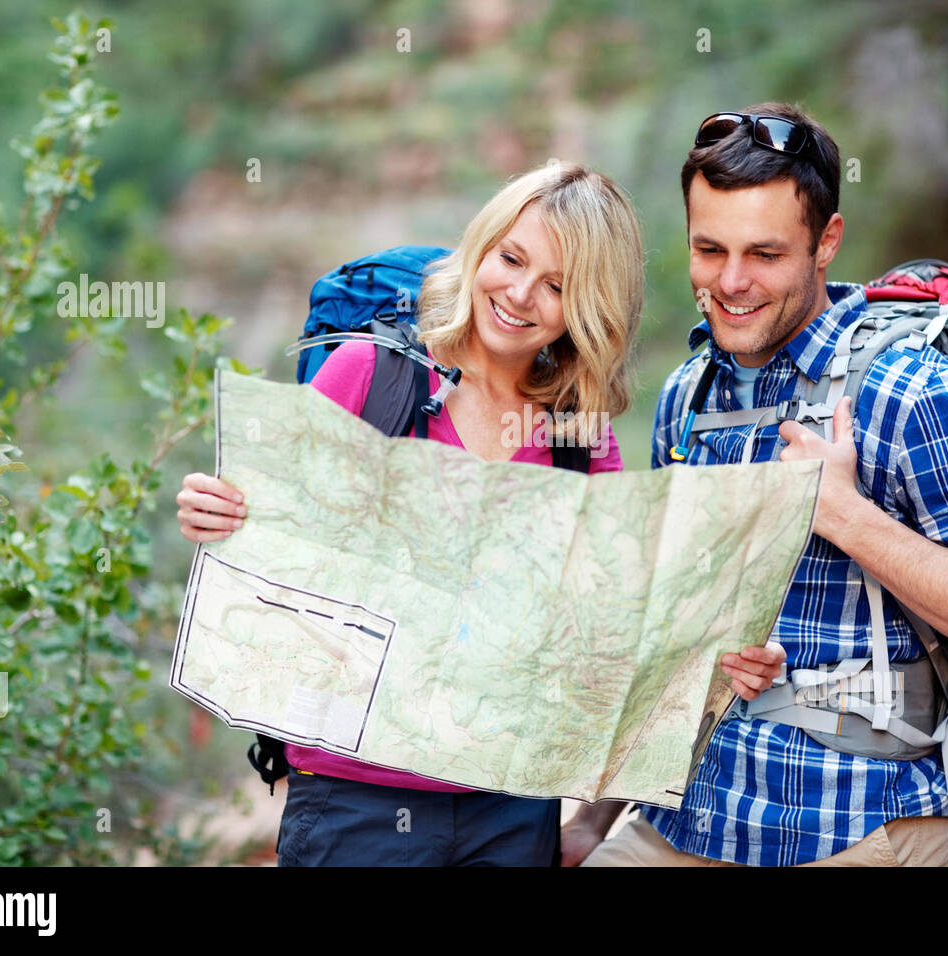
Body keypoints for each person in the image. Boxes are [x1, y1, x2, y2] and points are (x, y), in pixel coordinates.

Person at [563, 102, 948, 867]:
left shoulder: (907, 391)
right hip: (693, 817)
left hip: (856, 824)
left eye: (764, 253)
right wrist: (595, 817)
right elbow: (671, 633)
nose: (730, 283)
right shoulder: (689, 396)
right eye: (708, 249)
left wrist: (844, 516)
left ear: (826, 242)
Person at [176, 161, 645, 865]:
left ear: (586, 305)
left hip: (510, 799)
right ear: (481, 247)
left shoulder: (578, 432)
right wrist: (219, 516)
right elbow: (271, 545)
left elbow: (606, 619)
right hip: (354, 800)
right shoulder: (374, 376)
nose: (519, 294)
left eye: (557, 285)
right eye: (511, 258)